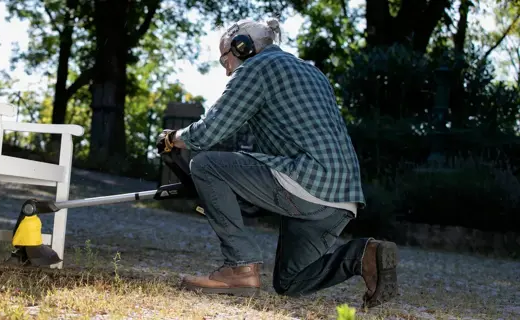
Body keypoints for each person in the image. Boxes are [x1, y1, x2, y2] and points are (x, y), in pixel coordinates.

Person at [156, 18, 399, 308]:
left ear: (241, 47)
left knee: (206, 165)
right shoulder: (311, 72)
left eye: (225, 60)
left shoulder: (256, 68)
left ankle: (240, 267)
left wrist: (173, 139)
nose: (226, 70)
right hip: (342, 196)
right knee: (292, 281)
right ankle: (363, 255)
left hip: (308, 181)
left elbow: (210, 131)